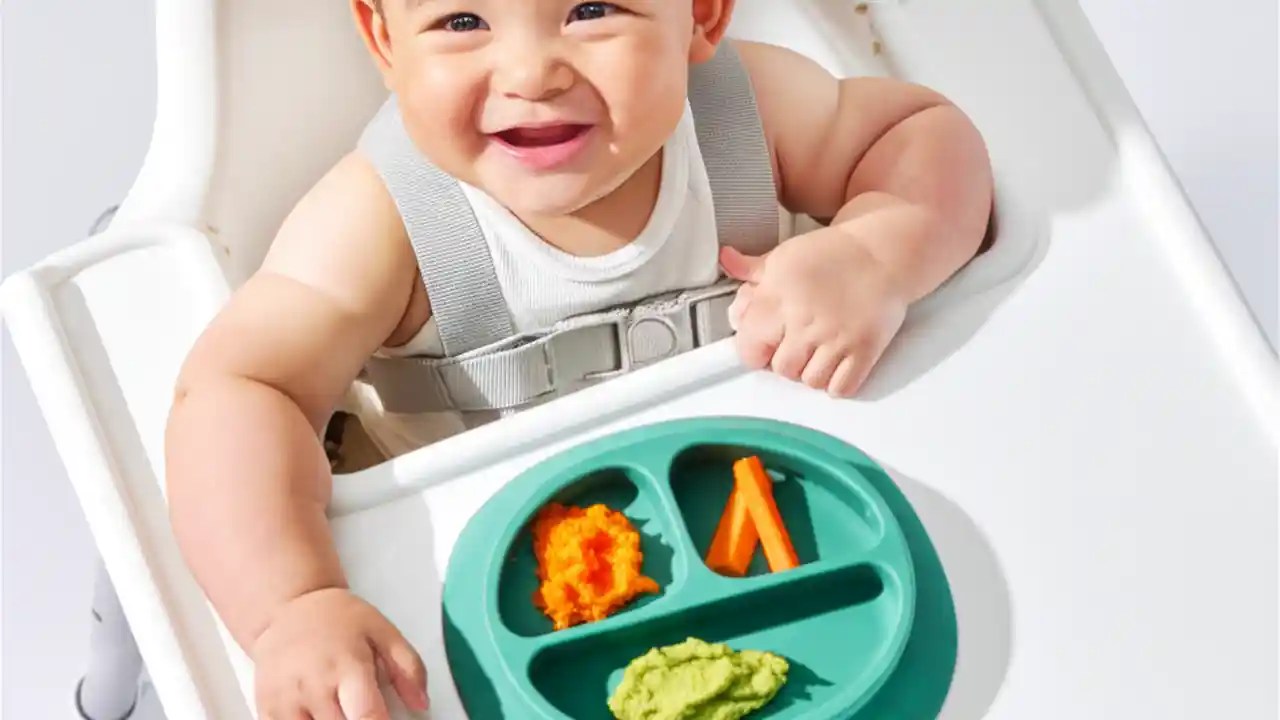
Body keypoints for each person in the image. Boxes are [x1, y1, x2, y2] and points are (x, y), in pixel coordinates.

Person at [165, 1, 993, 717]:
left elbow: (919, 134)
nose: (531, 73)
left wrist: (877, 252)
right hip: (496, 584)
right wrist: (293, 606)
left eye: (591, 9)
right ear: (384, 40)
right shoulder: (385, 221)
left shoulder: (745, 114)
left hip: (778, 512)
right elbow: (241, 389)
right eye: (463, 21)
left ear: (700, 14)